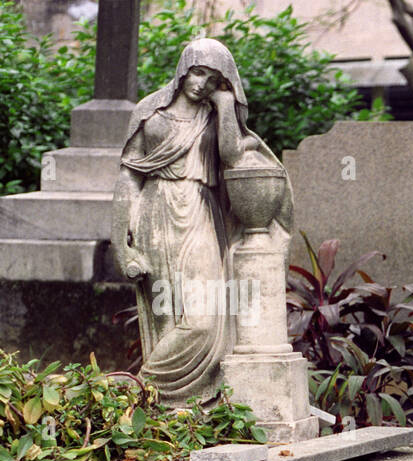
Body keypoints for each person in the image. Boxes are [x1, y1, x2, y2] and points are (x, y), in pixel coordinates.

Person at [112, 37, 290, 404]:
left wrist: (225, 105)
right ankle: (169, 409)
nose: (202, 84)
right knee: (168, 316)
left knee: (205, 316)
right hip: (156, 212)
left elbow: (231, 155)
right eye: (197, 73)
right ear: (182, 70)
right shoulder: (150, 112)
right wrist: (122, 246)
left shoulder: (214, 115)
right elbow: (129, 177)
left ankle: (137, 390)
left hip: (201, 210)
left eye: (212, 78)